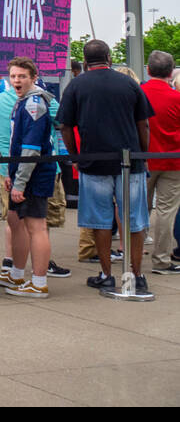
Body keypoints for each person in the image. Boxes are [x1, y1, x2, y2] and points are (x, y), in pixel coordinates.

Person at [58, 39, 153, 295]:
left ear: (85, 62)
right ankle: (137, 274)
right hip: (130, 162)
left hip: (94, 161)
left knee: (100, 221)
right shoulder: (129, 83)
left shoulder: (77, 85)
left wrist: (75, 155)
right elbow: (143, 124)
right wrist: (142, 154)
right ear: (110, 58)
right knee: (134, 220)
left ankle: (106, 275)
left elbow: (65, 126)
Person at [0, 63, 71, 283]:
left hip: (29, 172)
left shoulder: (35, 102)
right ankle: (21, 273)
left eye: (22, 76)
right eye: (13, 76)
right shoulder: (22, 101)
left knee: (35, 226)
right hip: (19, 171)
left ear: (33, 77)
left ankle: (37, 279)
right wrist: (15, 178)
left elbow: (32, 147)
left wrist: (19, 180)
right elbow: (58, 124)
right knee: (24, 224)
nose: (17, 80)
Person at [141, 50, 180, 275]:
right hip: (173, 161)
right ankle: (162, 260)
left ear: (148, 69)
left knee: (138, 208)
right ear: (170, 71)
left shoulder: (138, 93)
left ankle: (131, 254)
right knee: (166, 211)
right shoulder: (176, 97)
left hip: (142, 160)